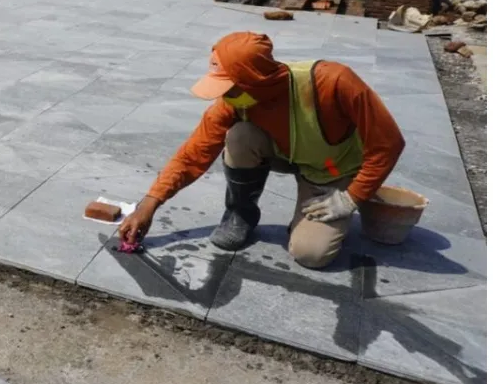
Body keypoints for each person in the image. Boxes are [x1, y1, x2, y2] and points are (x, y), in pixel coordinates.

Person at [116, 32, 406, 269]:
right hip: (285, 153)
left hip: (330, 168)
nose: (225, 96)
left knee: (310, 254)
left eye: (231, 87)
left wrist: (352, 197)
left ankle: (317, 211)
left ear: (256, 80)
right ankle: (240, 214)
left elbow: (389, 143)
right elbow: (193, 153)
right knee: (240, 136)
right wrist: (149, 205)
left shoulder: (332, 82)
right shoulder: (235, 102)